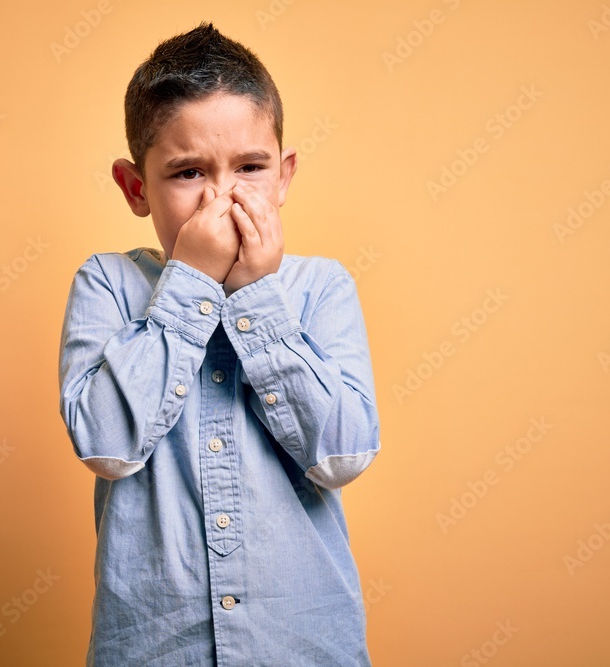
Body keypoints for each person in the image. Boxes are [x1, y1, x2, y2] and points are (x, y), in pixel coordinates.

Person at [58, 21, 381, 666]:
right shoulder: (109, 286)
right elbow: (106, 447)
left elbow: (343, 455)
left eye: (250, 167)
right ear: (135, 187)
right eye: (187, 173)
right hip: (153, 648)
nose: (222, 196)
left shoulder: (320, 289)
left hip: (304, 645)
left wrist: (257, 299)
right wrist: (192, 284)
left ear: (283, 177)